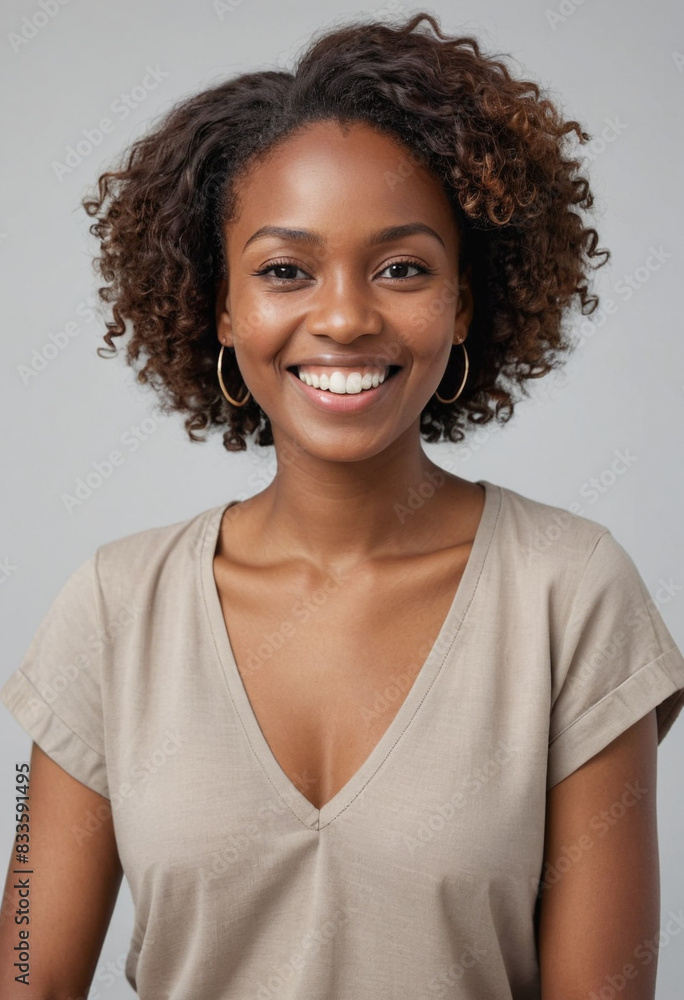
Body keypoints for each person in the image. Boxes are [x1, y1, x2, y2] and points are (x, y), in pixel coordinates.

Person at [1, 11, 683, 999]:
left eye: (402, 266)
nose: (344, 316)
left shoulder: (571, 596)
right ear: (221, 308)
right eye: (286, 270)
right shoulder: (114, 607)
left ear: (464, 301)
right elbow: (24, 967)